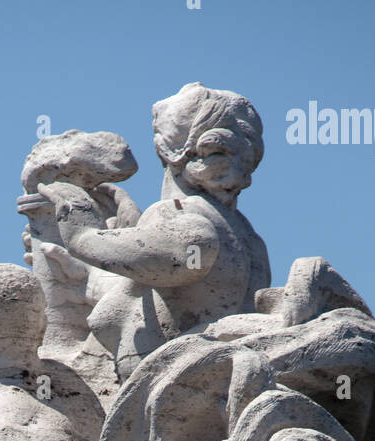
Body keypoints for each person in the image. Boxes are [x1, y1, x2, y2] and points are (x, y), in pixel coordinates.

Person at [31, 83, 270, 378]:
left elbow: (185, 254)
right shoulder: (250, 239)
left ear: (166, 150)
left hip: (173, 388)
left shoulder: (183, 213)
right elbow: (165, 287)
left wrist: (83, 232)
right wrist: (92, 269)